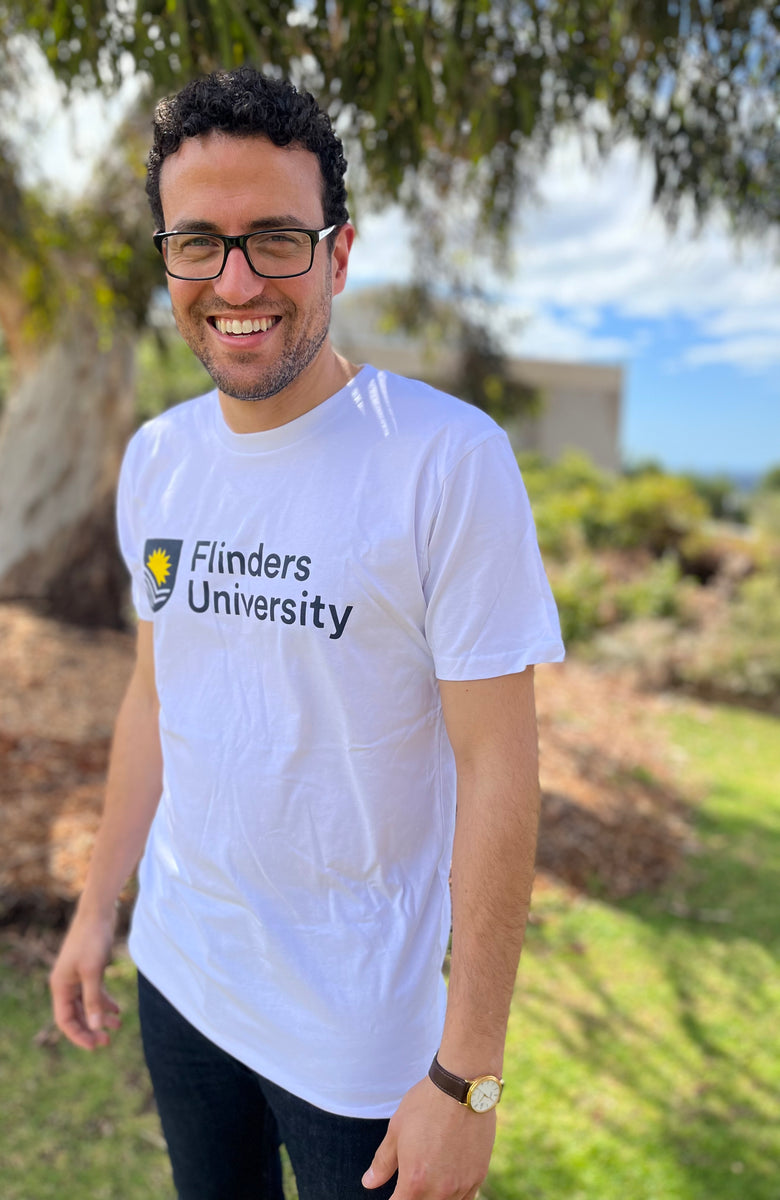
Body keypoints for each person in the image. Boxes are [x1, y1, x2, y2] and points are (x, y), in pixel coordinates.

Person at [49, 66, 564, 1200]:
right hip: (181, 977)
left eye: (276, 239)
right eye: (198, 243)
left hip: (360, 1043)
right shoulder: (158, 458)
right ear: (168, 259)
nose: (235, 281)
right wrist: (97, 909)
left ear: (337, 254)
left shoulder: (446, 460)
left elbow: (499, 764)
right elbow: (155, 698)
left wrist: (468, 1077)